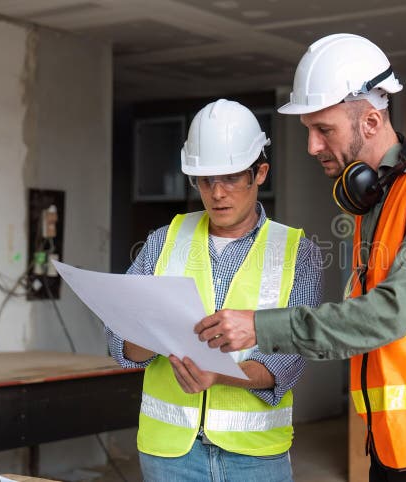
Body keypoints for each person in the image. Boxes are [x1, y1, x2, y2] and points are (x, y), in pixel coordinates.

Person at [194, 34, 406, 481]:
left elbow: (388, 313)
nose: (311, 146)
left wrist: (259, 326)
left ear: (370, 121)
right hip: (397, 446)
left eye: (324, 130)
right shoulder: (378, 200)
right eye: (309, 129)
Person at [107, 99, 322, 482]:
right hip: (169, 453)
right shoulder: (163, 241)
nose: (217, 193)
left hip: (254, 457)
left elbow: (289, 359)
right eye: (205, 180)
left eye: (231, 178)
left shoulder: (296, 252)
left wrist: (219, 375)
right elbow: (119, 344)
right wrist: (152, 333)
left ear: (260, 173)